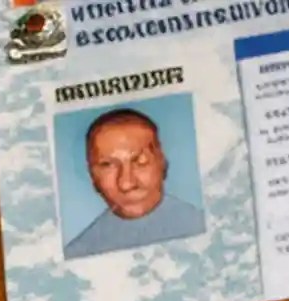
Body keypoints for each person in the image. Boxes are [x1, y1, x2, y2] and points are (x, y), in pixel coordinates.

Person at [64, 108, 205, 259]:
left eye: (140, 161)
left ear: (162, 163)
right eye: (107, 165)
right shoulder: (78, 255)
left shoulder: (212, 227)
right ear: (92, 175)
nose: (126, 183)